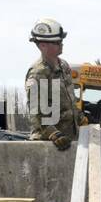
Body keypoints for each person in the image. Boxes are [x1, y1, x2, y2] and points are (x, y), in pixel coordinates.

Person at [24, 17, 79, 150]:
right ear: (43, 45)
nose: (61, 44)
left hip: (70, 138)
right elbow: (37, 111)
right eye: (57, 42)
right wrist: (53, 134)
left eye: (61, 41)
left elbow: (70, 99)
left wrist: (80, 116)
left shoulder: (64, 66)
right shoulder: (39, 72)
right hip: (49, 143)